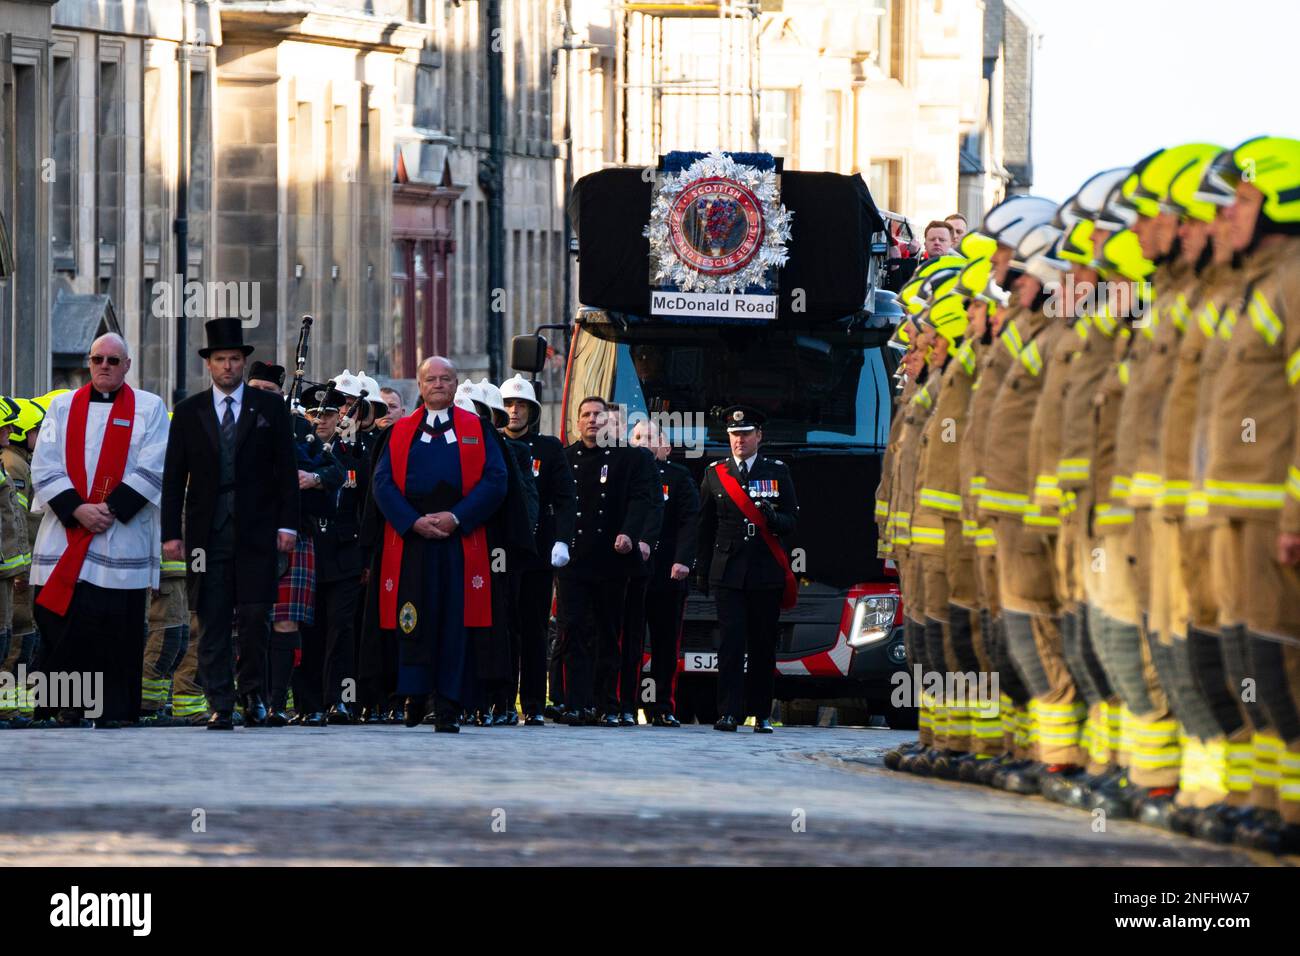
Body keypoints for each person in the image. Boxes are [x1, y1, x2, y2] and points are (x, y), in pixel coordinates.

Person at [161, 318, 300, 730]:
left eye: (234, 359)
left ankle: (253, 694)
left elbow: (286, 472)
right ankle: (221, 701)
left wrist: (287, 525)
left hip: (258, 530)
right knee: (212, 618)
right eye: (220, 359)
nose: (227, 366)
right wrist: (172, 533)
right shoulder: (189, 412)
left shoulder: (271, 408)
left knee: (256, 617)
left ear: (243, 362)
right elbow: (173, 478)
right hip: (206, 534)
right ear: (209, 364)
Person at [29, 333, 169, 727]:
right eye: (97, 359)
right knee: (63, 624)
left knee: (116, 630)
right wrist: (77, 509)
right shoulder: (61, 406)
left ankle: (114, 711)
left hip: (120, 538)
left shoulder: (149, 407)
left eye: (113, 360)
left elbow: (154, 464)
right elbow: (45, 464)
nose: (104, 366)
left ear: (128, 365)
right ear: (88, 364)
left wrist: (110, 509)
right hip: (66, 536)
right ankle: (66, 706)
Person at [368, 356, 508, 732]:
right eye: (431, 379)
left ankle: (448, 704)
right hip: (412, 541)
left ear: (456, 384)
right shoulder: (400, 432)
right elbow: (381, 484)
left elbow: (496, 480)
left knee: (453, 620)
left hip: (459, 542)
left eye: (446, 379)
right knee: (413, 617)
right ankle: (414, 694)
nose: (439, 384)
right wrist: (412, 522)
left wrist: (457, 517)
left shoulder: (477, 428)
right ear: (420, 384)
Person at [695, 405, 799, 733]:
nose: (739, 441)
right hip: (728, 571)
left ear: (759, 436)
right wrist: (701, 569)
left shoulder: (777, 471)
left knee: (762, 645)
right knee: (730, 644)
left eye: (745, 434)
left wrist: (772, 517)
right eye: (734, 435)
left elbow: (792, 522)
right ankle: (728, 712)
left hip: (764, 571)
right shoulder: (715, 473)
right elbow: (704, 526)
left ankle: (761, 713)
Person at [555, 396, 655, 726]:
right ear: (577, 421)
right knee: (573, 631)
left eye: (598, 415)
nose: (592, 420)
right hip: (574, 559)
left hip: (612, 560)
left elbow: (642, 500)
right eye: (585, 415)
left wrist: (629, 533)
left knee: (609, 634)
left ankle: (607, 704)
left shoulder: (630, 458)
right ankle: (576, 704)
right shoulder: (565, 457)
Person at [499, 374, 576, 726]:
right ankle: (498, 702)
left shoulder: (549, 448)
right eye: (508, 405)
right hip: (501, 552)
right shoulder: (491, 443)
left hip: (538, 551)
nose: (513, 411)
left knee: (533, 629)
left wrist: (562, 539)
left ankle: (532, 705)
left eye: (520, 406)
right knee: (501, 628)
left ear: (532, 411)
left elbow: (564, 499)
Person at [292, 384, 361, 727]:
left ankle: (340, 700)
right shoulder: (296, 451)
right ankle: (308, 703)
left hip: (345, 552)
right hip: (308, 552)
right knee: (308, 629)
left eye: (327, 414)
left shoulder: (352, 454)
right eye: (313, 414)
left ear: (339, 417)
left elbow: (365, 503)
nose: (320, 421)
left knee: (341, 629)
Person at [630, 418, 698, 726]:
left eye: (649, 437)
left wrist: (682, 560)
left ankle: (662, 707)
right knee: (627, 643)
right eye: (637, 437)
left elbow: (689, 521)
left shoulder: (679, 477)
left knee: (665, 646)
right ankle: (623, 705)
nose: (643, 442)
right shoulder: (623, 476)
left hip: (667, 575)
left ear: (665, 447)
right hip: (629, 574)